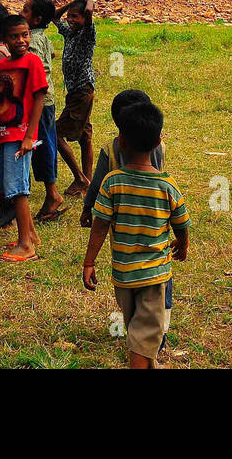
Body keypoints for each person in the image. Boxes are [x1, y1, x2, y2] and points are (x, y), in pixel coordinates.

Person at [81, 100, 189, 368]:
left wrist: (89, 262)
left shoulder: (112, 183)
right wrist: (183, 245)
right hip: (154, 275)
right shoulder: (167, 186)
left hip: (124, 276)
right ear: (158, 142)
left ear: (121, 141)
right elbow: (182, 223)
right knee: (142, 338)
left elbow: (100, 225)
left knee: (138, 333)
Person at [0, 14, 47, 261]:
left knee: (18, 189)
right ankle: (30, 234)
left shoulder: (32, 62)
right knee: (8, 187)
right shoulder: (2, 66)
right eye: (15, 36)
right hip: (2, 133)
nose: (21, 40)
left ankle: (26, 246)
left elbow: (39, 98)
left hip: (20, 136)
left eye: (25, 35)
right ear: (4, 40)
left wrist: (29, 136)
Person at [80, 89, 164, 228]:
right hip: (153, 212)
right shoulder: (160, 145)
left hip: (121, 216)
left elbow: (96, 184)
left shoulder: (109, 149)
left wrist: (87, 208)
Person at [21, 0, 63, 221]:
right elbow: (53, 55)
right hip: (48, 100)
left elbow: (33, 66)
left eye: (25, 10)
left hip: (41, 101)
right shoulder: (43, 37)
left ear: (35, 19)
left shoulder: (32, 41)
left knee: (44, 146)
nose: (21, 12)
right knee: (45, 144)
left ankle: (53, 194)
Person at [54, 0, 97, 197]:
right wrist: (70, 4)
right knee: (85, 136)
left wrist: (87, 1)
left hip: (82, 91)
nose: (70, 20)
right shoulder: (69, 33)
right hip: (76, 93)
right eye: (69, 16)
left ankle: (80, 178)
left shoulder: (87, 33)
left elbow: (89, 12)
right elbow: (55, 17)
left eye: (75, 17)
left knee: (55, 134)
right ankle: (88, 181)